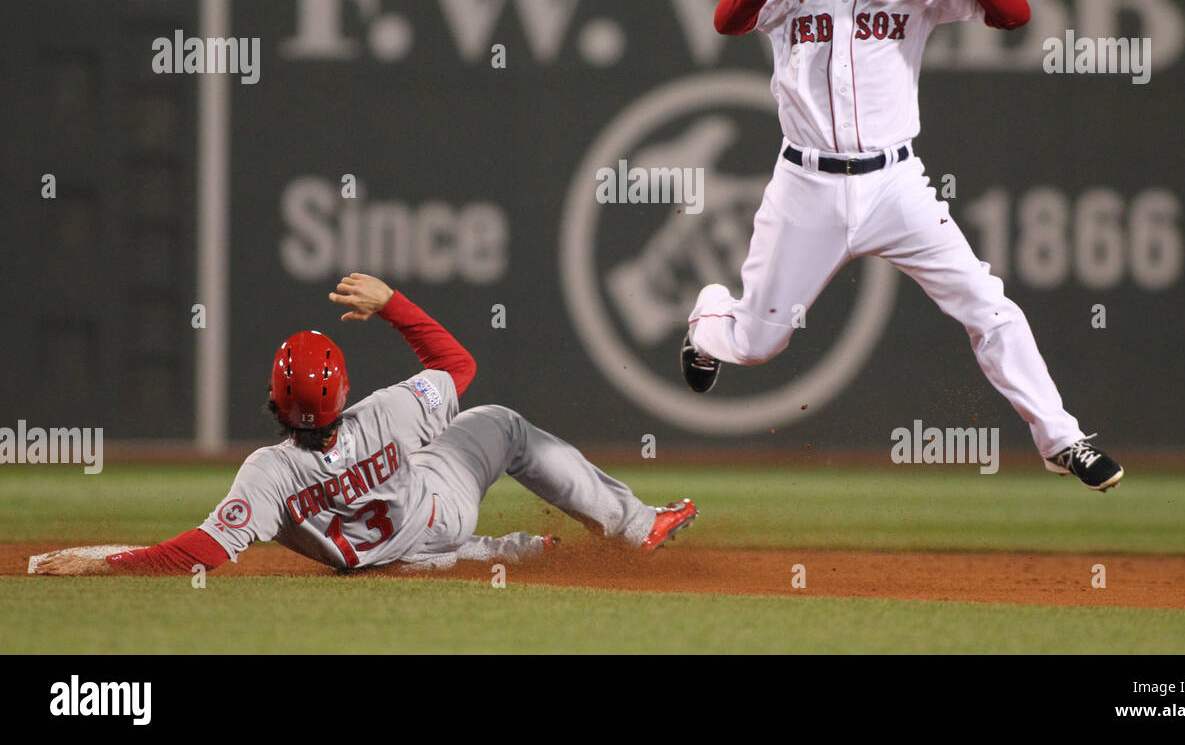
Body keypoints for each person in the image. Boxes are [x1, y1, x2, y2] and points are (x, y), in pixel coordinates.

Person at [680, 0, 1122, 491]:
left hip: (895, 183)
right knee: (755, 344)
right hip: (808, 184)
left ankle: (1063, 441)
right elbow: (725, 21)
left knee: (987, 305)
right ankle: (709, 317)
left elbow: (1015, 13)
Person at [36, 273, 696, 575]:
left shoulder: (266, 475)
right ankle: (632, 525)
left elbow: (201, 552)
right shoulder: (386, 413)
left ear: (270, 399)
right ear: (343, 389)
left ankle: (501, 554)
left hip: (373, 558)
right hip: (438, 513)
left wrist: (106, 564)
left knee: (391, 553)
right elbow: (457, 363)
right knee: (503, 425)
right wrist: (392, 305)